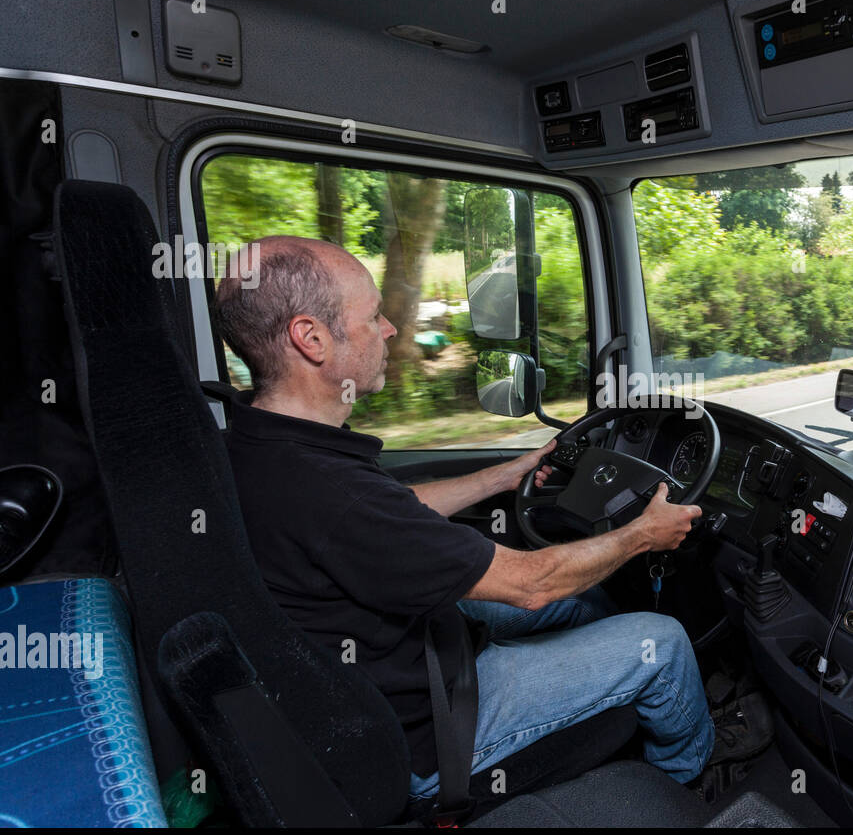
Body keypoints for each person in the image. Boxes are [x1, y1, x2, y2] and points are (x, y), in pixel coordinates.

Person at [212, 235, 756, 806]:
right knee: (662, 642)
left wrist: (505, 475)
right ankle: (692, 779)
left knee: (585, 604)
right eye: (374, 315)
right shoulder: (328, 490)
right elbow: (532, 584)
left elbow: (399, 513)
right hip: (433, 726)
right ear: (312, 338)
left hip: (408, 655)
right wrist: (643, 534)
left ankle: (634, 696)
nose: (391, 329)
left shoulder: (260, 440)